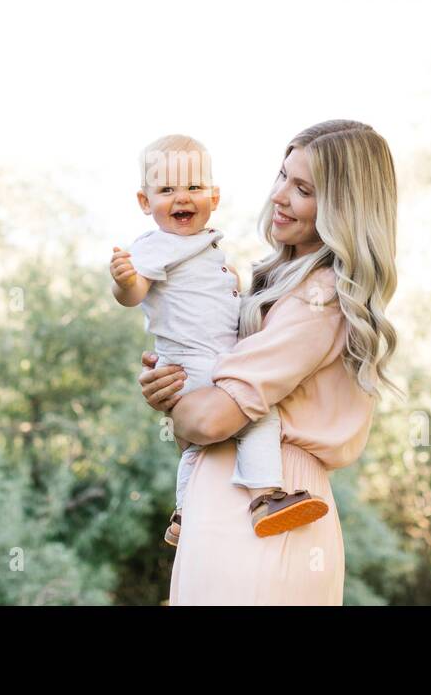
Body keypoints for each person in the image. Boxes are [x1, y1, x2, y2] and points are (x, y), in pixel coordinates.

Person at [137, 119, 404, 605]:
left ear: (344, 209)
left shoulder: (318, 299)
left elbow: (213, 418)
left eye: (302, 188)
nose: (280, 195)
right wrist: (178, 395)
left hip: (271, 510)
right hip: (226, 502)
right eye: (283, 176)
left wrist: (176, 398)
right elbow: (198, 428)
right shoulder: (277, 289)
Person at [111, 133, 330, 548]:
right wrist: (125, 283)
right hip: (196, 360)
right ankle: (265, 495)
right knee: (258, 416)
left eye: (193, 187)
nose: (182, 198)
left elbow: (201, 424)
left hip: (206, 365)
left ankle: (182, 512)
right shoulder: (160, 246)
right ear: (145, 202)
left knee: (201, 442)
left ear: (214, 196)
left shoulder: (209, 248)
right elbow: (134, 293)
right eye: (167, 189)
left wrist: (179, 410)